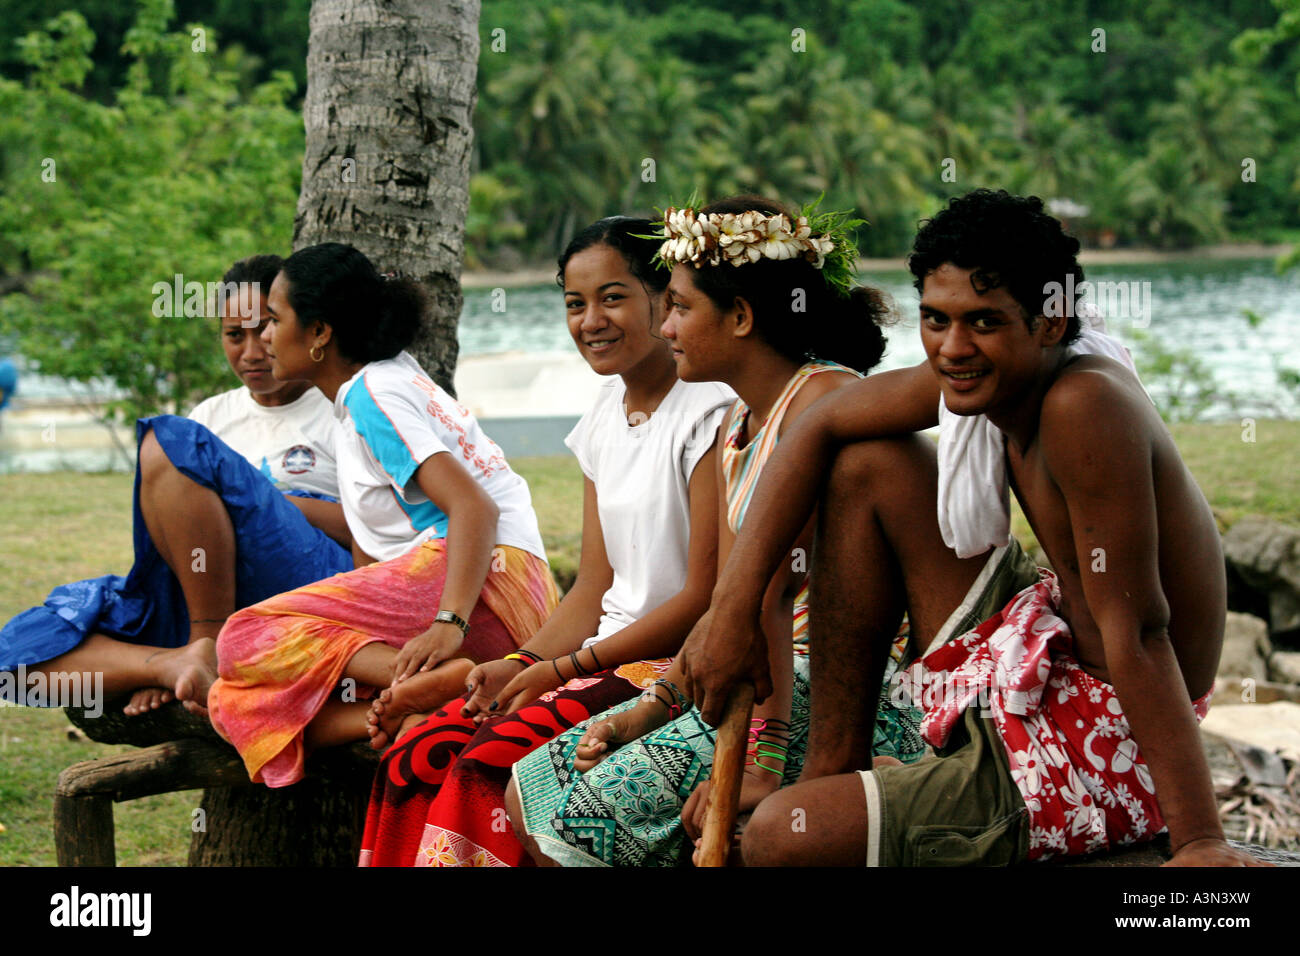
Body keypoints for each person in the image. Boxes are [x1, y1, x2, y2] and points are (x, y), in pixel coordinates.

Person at [682, 189, 1265, 867]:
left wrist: (1198, 841)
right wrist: (733, 609)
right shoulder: (984, 370)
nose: (953, 347)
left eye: (983, 322)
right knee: (867, 463)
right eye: (935, 319)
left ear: (1051, 323)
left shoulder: (1085, 405)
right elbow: (818, 423)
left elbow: (1138, 629)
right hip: (1053, 650)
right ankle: (830, 769)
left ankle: (864, 793)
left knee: (784, 836)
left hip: (1111, 736)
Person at [508, 196, 923, 867]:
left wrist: (762, 756)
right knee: (532, 787)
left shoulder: (822, 403)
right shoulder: (738, 428)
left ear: (740, 317)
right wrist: (647, 711)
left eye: (678, 307)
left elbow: (776, 602)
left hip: (844, 693)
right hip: (751, 678)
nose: (664, 327)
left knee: (586, 818)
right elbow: (733, 602)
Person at [356, 216, 732, 866]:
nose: (591, 321)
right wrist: (523, 664)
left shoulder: (711, 412)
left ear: (664, 298)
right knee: (413, 759)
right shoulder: (599, 424)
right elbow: (594, 586)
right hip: (595, 658)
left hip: (665, 666)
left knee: (482, 769)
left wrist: (559, 671)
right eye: (574, 304)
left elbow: (703, 596)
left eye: (613, 298)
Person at [206, 243, 558, 789]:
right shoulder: (381, 384)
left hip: (481, 588)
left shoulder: (375, 393)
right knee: (229, 699)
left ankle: (435, 677)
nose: (264, 338)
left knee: (243, 636)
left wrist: (448, 624)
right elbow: (375, 555)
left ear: (320, 332)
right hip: (501, 600)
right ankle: (416, 714)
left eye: (274, 321)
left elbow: (473, 506)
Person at [0, 255, 353, 715]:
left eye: (265, 329)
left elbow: (382, 531)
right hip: (205, 592)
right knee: (18, 658)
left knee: (169, 437)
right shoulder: (211, 416)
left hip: (308, 588)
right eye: (233, 335)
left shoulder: (339, 409)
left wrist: (260, 505)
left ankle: (208, 647)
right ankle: (171, 663)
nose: (251, 351)